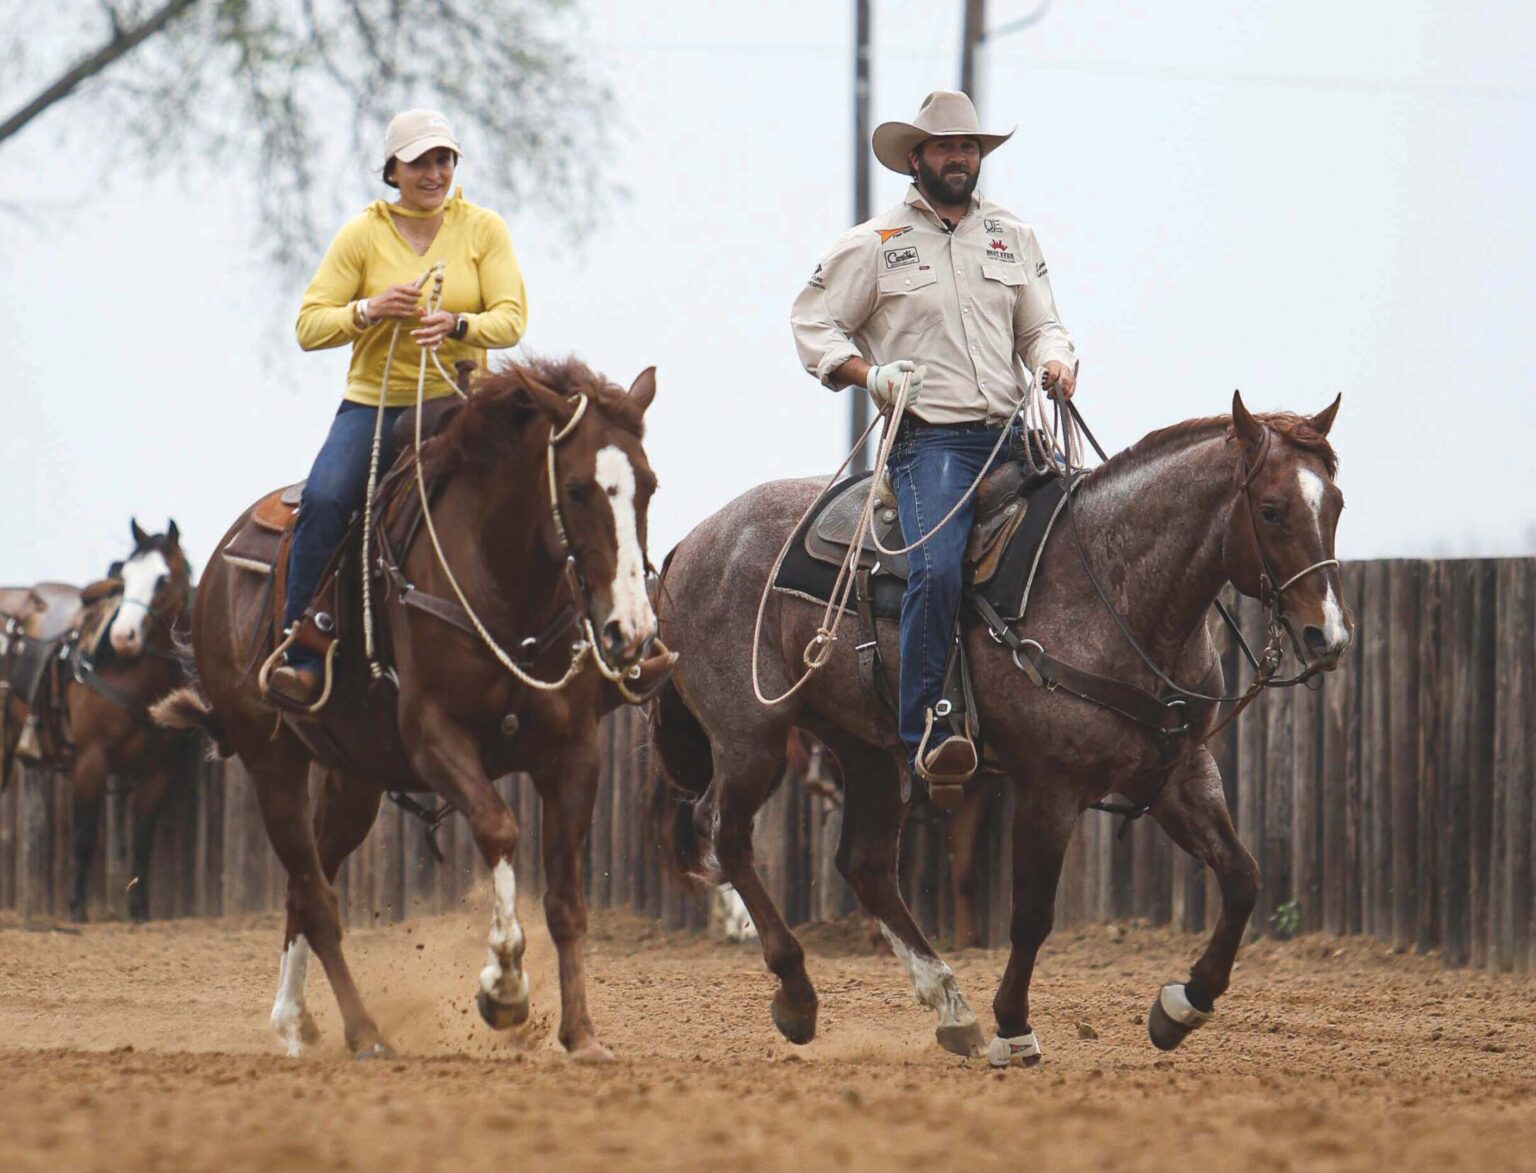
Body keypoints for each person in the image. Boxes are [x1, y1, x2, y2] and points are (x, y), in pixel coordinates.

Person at [789, 90, 1079, 786]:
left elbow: (1041, 325)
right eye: (948, 147)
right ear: (915, 158)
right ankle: (927, 726)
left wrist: (1056, 360)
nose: (961, 157)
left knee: (1085, 539)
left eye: (970, 146)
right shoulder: (876, 245)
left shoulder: (1013, 236)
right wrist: (871, 374)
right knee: (939, 567)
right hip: (932, 444)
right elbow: (812, 322)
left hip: (1015, 435)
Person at [267, 109, 528, 707]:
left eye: (444, 160)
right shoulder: (361, 234)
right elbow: (309, 326)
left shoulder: (483, 228)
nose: (434, 173)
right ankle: (302, 648)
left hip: (460, 399)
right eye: (419, 162)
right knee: (328, 496)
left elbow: (512, 318)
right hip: (375, 404)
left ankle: (571, 633)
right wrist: (369, 310)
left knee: (540, 486)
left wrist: (459, 322)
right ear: (393, 170)